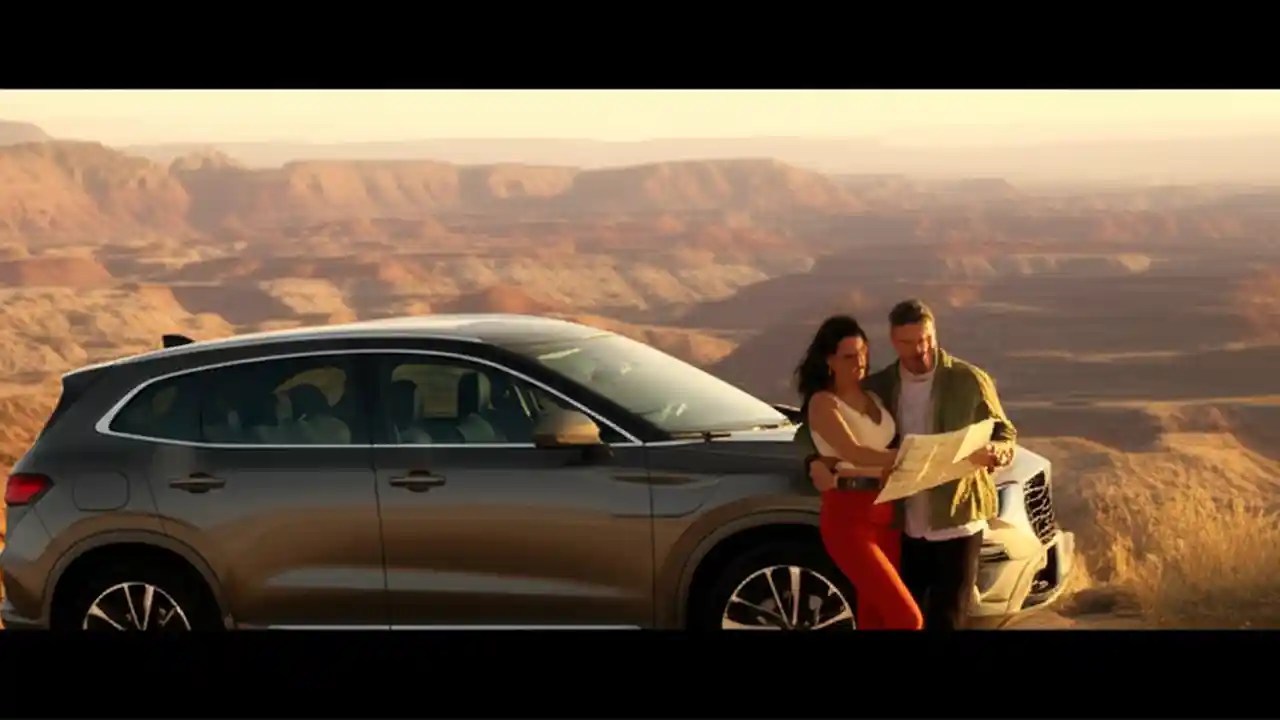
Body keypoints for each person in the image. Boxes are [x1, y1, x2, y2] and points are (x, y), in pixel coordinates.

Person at [799, 299, 1016, 630]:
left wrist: (1000, 450)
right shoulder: (880, 386)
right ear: (893, 341)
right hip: (903, 520)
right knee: (894, 615)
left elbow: (1003, 430)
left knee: (946, 619)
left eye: (926, 339)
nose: (920, 350)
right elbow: (813, 428)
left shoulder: (969, 379)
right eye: (909, 343)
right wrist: (812, 459)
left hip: (957, 517)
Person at [794, 314, 923, 631]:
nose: (860, 362)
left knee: (874, 618)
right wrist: (915, 457)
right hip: (848, 516)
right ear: (829, 361)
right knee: (908, 618)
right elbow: (854, 453)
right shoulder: (824, 403)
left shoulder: (875, 397)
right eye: (849, 356)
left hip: (886, 513)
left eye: (863, 352)